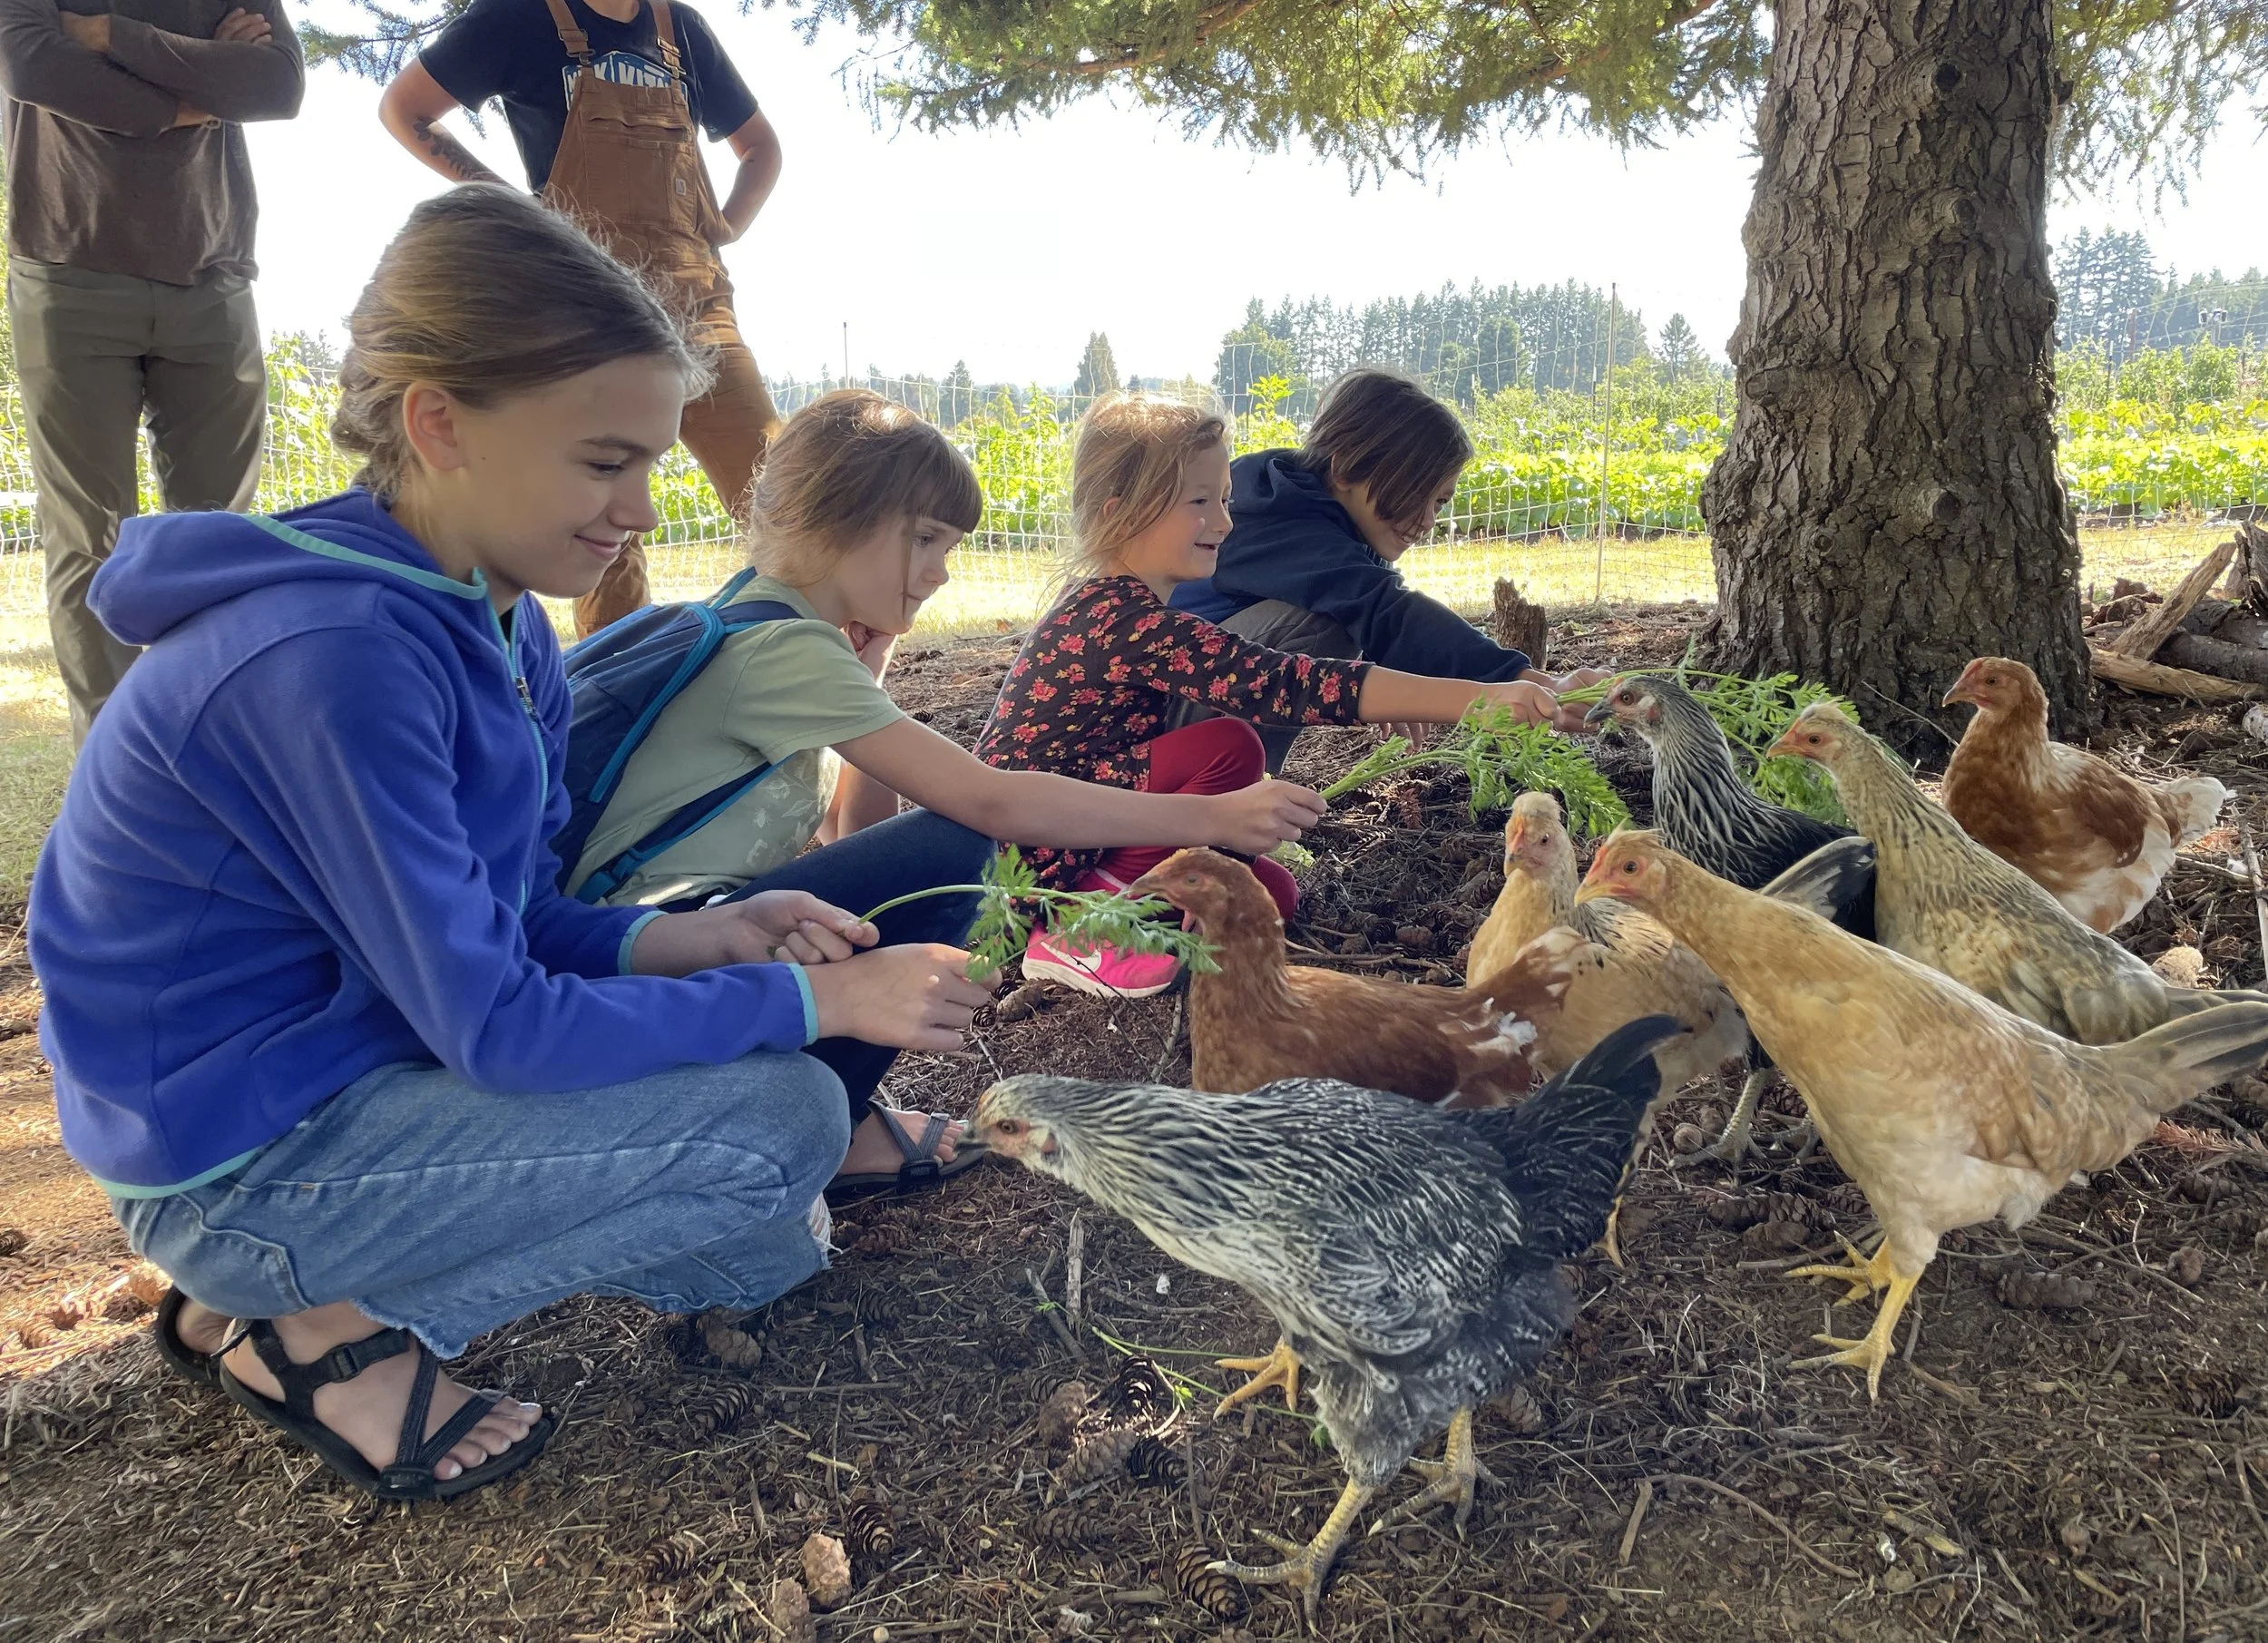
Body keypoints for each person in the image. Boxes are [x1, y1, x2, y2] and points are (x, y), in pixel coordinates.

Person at [29, 185, 992, 1501]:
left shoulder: (494, 613)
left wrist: (689, 935)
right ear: (439, 424)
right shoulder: (336, 657)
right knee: (782, 1122)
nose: (642, 510)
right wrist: (806, 995)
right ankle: (303, 1327)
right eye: (607, 461)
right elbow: (495, 1024)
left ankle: (307, 1291)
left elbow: (514, 913)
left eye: (650, 463)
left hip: (364, 1066)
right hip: (246, 1157)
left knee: (765, 1249)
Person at [559, 387, 1328, 1103]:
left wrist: (875, 661)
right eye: (924, 539)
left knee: (946, 849)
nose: (941, 572)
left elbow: (859, 837)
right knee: (963, 836)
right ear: (839, 521)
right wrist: (1213, 817)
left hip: (662, 941)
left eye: (950, 545)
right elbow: (989, 798)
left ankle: (836, 1107)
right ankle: (846, 1118)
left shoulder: (757, 620)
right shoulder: (785, 651)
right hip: (654, 953)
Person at [977, 392, 1599, 997]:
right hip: (1038, 855)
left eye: (1223, 499)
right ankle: (1074, 925)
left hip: (1080, 819)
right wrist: (1477, 697)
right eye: (1200, 501)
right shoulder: (1127, 619)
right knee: (1228, 749)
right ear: (1119, 513)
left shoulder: (1130, 604)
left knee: (1267, 896)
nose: (1224, 521)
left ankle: (1129, 903)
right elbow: (1287, 680)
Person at [377, 0, 783, 637]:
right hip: (584, 318)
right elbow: (405, 109)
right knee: (602, 521)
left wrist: (726, 228)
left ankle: (815, 686)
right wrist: (512, 209)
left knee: (786, 500)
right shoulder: (518, 19)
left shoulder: (680, 31)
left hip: (699, 310)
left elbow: (761, 148)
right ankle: (612, 698)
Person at [0, 0, 304, 742]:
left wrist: (109, 36)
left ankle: (211, 757)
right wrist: (205, 85)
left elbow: (278, 86)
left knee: (220, 540)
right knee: (89, 539)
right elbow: (32, 68)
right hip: (68, 271)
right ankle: (112, 772)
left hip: (215, 273)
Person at [1171, 369, 1603, 771]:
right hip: (1154, 709)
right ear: (1344, 471)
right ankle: (1226, 795)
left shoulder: (1309, 506)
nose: (1427, 519)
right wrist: (1523, 678)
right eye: (1415, 494)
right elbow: (1382, 609)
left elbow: (1365, 597)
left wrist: (1393, 681)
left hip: (1189, 690)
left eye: (1440, 502)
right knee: (1323, 626)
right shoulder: (1273, 517)